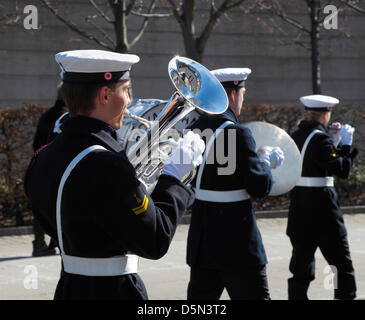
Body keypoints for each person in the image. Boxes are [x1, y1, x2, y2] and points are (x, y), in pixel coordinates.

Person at [24, 49, 205, 300]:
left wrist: (131, 190)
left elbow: (72, 221)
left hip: (69, 288)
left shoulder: (41, 158)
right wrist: (174, 177)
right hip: (114, 292)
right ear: (105, 95)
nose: (130, 101)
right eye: (126, 90)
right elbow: (155, 240)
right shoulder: (107, 165)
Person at [186, 68, 285, 300]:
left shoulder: (193, 130)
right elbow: (260, 187)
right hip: (236, 242)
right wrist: (264, 161)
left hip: (202, 238)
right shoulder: (238, 133)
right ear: (231, 96)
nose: (243, 99)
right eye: (242, 93)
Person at [287, 94, 359, 300]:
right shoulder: (321, 139)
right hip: (323, 209)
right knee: (340, 264)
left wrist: (333, 144)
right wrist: (346, 146)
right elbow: (342, 170)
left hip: (300, 207)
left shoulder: (296, 135)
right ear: (326, 114)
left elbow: (318, 160)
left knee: (301, 266)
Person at [31, 87, 68, 257]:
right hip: (60, 169)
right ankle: (58, 243)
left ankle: (39, 243)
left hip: (41, 165)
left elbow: (35, 143)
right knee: (60, 207)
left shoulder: (47, 115)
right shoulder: (67, 118)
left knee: (40, 206)